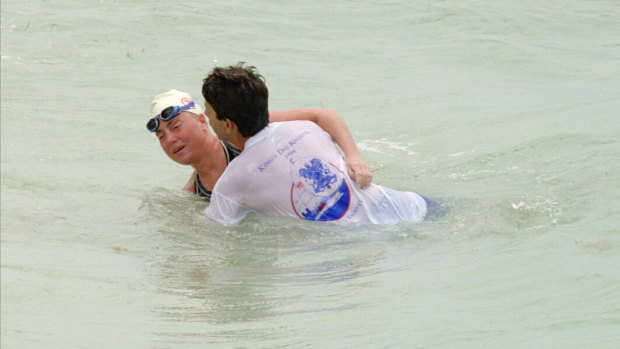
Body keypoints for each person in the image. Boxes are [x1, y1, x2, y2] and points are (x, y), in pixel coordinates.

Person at [201, 63, 430, 225]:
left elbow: (216, 235)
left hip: (363, 248)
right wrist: (353, 156)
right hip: (410, 206)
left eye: (208, 111)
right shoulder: (307, 128)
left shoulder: (233, 181)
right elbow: (323, 114)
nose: (206, 116)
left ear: (228, 124)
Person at [148, 89, 373, 201]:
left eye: (175, 126)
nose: (170, 140)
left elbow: (321, 115)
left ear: (201, 120)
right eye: (160, 136)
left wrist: (354, 157)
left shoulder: (241, 133)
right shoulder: (195, 194)